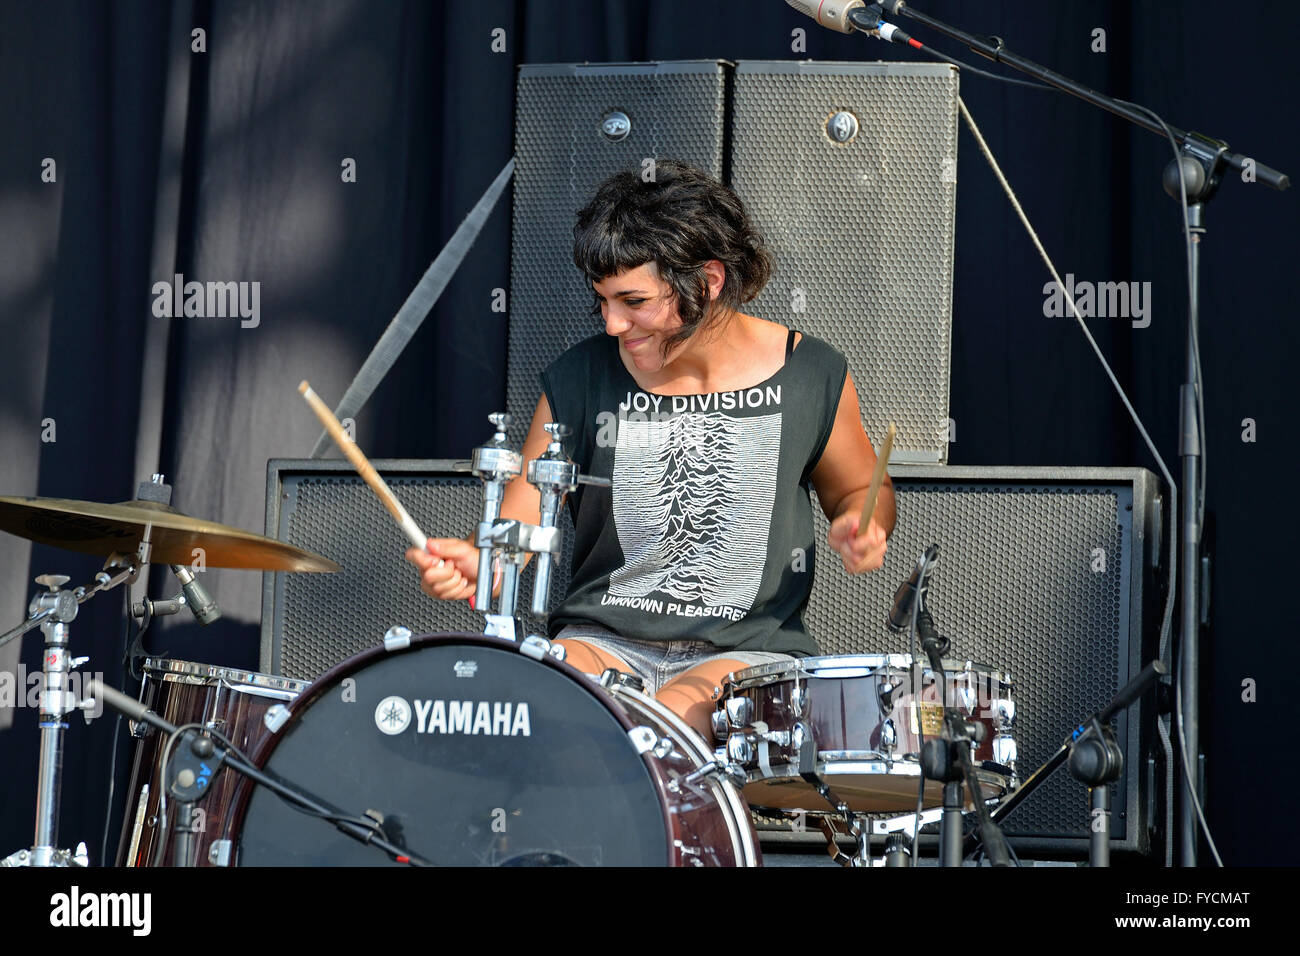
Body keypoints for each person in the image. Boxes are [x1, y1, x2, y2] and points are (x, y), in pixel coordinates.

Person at [406, 160, 895, 742]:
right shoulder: (580, 377)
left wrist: (862, 524)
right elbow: (521, 519)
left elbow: (861, 488)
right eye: (603, 302)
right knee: (544, 706)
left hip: (743, 651)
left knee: (663, 728)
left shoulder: (812, 372)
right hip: (599, 639)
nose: (612, 324)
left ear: (708, 280)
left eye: (633, 301)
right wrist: (481, 564)